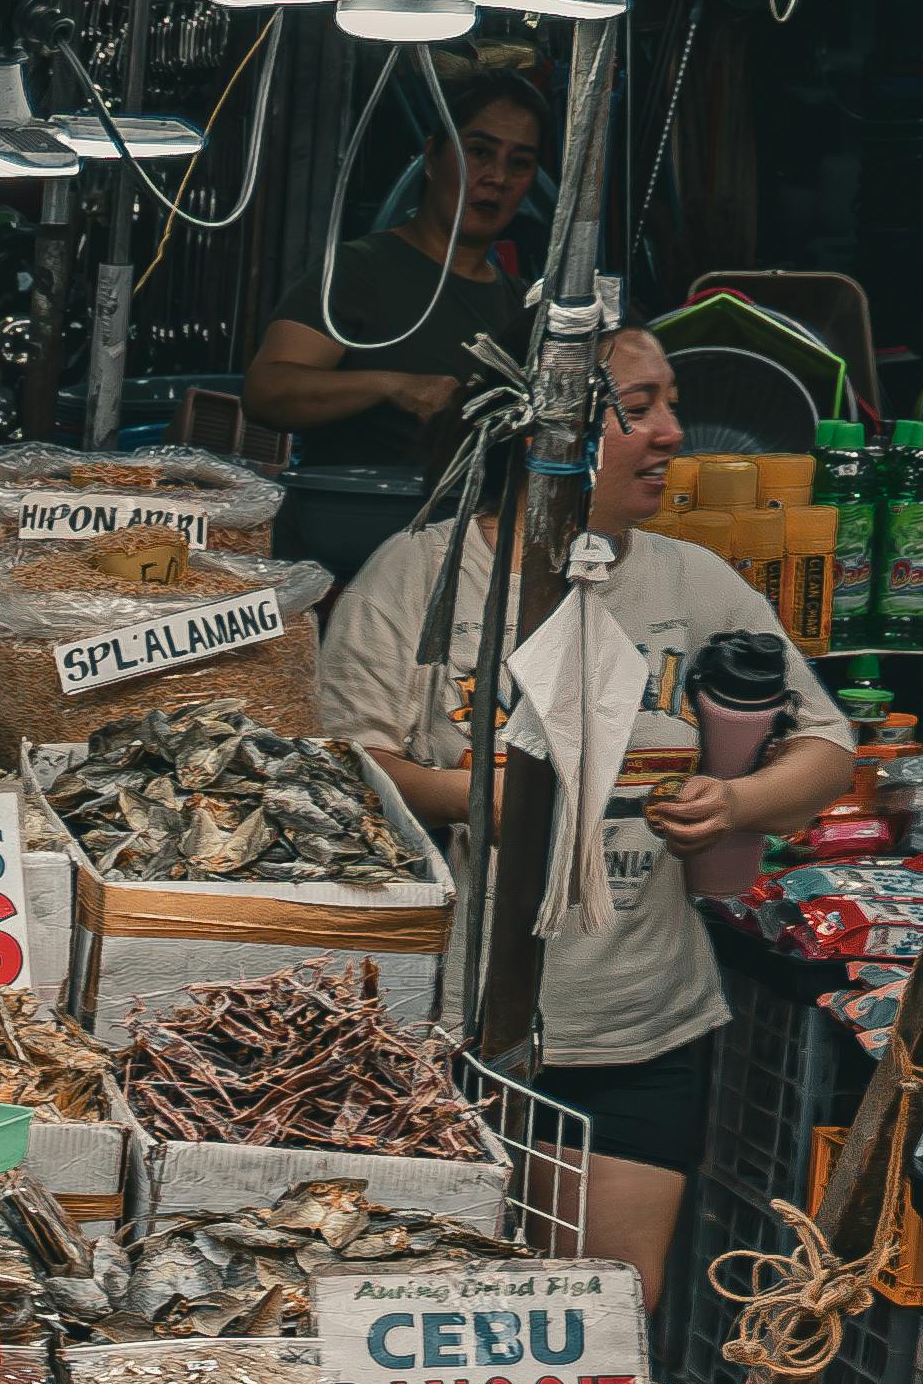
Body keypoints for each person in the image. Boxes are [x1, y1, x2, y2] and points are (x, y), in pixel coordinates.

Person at [309, 323, 866, 1305]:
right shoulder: (421, 575)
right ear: (547, 429)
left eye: (671, 405)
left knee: (604, 1311)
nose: (671, 434)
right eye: (639, 409)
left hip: (634, 1026)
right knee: (433, 1298)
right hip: (446, 1026)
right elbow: (345, 767)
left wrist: (734, 799)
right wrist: (503, 797)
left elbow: (827, 748)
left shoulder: (691, 584)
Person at [239, 69, 547, 474]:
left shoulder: (520, 304)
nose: (498, 178)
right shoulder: (360, 269)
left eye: (519, 163)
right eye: (479, 152)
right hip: (358, 525)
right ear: (433, 157)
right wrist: (394, 386)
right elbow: (266, 392)